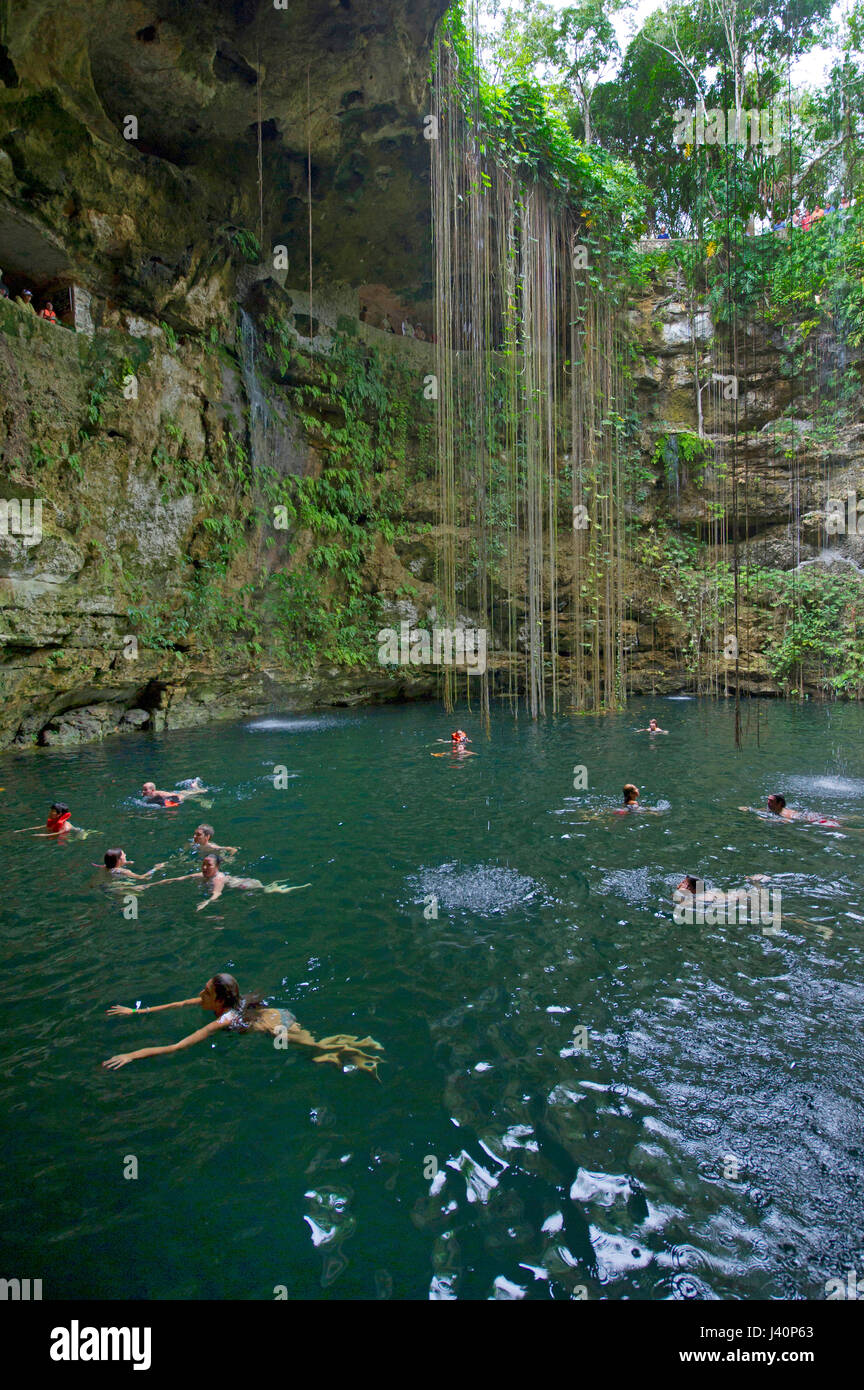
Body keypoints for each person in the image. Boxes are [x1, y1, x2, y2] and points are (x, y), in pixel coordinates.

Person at [102, 973, 384, 1075]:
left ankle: (361, 1049)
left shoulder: (223, 1019)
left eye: (206, 992)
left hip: (276, 1027)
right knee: (315, 1051)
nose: (200, 995)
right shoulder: (214, 1003)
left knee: (315, 1048)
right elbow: (177, 1004)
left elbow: (177, 1046)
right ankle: (355, 1048)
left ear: (220, 1000)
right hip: (274, 1015)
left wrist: (132, 1055)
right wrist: (137, 1012)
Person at [144, 853, 309, 911]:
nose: (204, 868)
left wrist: (205, 903)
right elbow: (176, 879)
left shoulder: (219, 878)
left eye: (208, 865)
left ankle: (288, 888)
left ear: (216, 867)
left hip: (246, 885)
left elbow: (217, 893)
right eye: (203, 865)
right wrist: (149, 885)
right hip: (240, 884)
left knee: (265, 890)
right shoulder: (201, 875)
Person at [98, 848, 169, 880]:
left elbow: (115, 866)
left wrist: (126, 862)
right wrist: (156, 868)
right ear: (119, 860)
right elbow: (141, 877)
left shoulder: (105, 867)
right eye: (123, 855)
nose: (125, 855)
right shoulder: (125, 871)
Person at [141, 778, 207, 807]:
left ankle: (195, 786)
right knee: (188, 792)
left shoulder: (160, 794)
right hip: (174, 794)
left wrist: (178, 802)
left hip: (178, 796)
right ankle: (193, 787)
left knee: (200, 792)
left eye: (145, 790)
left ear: (152, 790)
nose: (143, 791)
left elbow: (174, 797)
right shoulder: (148, 794)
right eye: (143, 789)